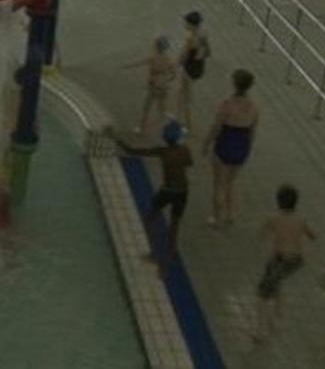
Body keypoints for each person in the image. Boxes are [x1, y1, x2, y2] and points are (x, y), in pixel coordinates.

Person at [108, 121, 192, 278]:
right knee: (174, 225)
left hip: (167, 191)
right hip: (183, 191)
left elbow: (132, 151)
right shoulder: (185, 151)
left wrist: (116, 138)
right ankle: (171, 254)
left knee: (149, 220)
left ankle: (156, 255)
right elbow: (188, 164)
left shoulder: (162, 151)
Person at [253, 185, 316, 342]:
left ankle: (261, 331)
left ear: (278, 202)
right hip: (296, 261)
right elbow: (312, 235)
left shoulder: (274, 218)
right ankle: (278, 315)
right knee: (278, 281)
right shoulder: (301, 219)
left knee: (262, 295)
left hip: (279, 260)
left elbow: (261, 235)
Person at [202, 69, 259, 227]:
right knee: (230, 183)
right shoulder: (254, 107)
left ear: (234, 84)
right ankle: (230, 214)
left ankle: (215, 216)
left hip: (225, 144)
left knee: (218, 183)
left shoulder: (227, 104)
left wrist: (206, 144)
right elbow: (253, 131)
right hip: (242, 145)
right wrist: (247, 149)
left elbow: (216, 128)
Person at [122, 36, 176, 136]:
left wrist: (126, 65)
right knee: (162, 105)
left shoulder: (153, 58)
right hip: (164, 86)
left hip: (154, 86)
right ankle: (167, 120)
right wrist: (165, 80)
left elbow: (138, 63)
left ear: (157, 46)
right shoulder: (169, 59)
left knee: (146, 108)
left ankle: (141, 128)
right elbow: (173, 75)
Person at [177, 11, 210, 130]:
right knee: (181, 92)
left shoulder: (190, 37)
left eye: (186, 22)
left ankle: (187, 126)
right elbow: (208, 51)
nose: (184, 24)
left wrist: (176, 65)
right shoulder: (203, 34)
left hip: (189, 68)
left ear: (191, 24)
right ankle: (179, 117)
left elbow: (184, 55)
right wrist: (200, 55)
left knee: (187, 98)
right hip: (199, 66)